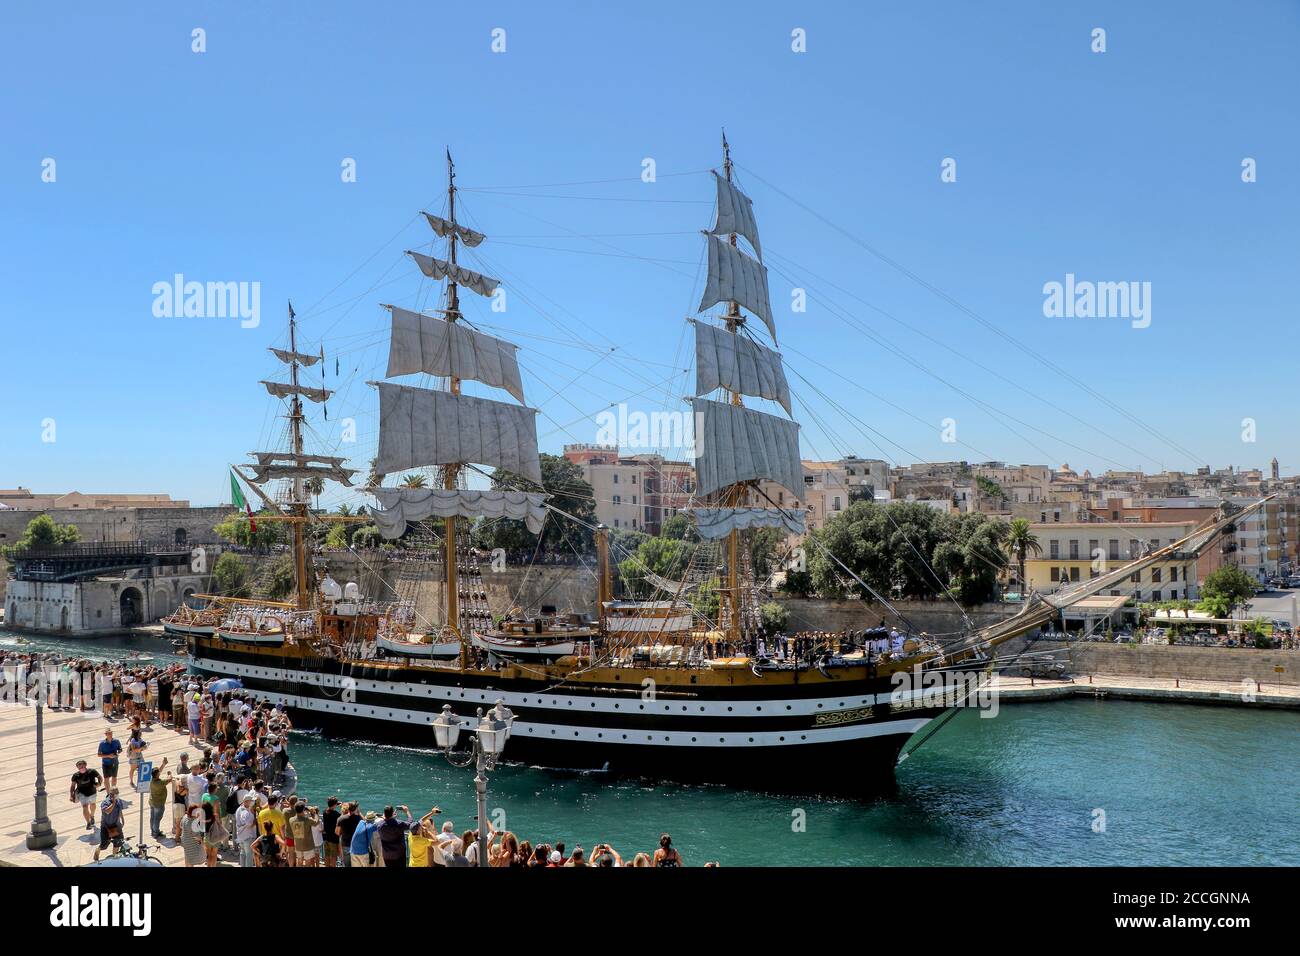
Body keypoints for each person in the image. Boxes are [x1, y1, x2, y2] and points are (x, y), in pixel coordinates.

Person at [92, 789, 125, 862]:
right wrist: (113, 803)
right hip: (106, 827)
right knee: (104, 845)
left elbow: (120, 811)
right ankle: (97, 853)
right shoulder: (105, 802)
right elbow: (107, 811)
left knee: (118, 842)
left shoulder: (119, 801)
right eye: (115, 794)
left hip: (115, 826)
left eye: (117, 793)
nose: (117, 795)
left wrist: (122, 820)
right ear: (111, 794)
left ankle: (114, 858)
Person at [69, 760, 102, 831]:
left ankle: (92, 816)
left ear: (85, 765)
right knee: (85, 807)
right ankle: (88, 823)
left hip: (92, 792)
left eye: (82, 765)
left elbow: (100, 777)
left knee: (93, 805)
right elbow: (72, 786)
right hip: (82, 793)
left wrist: (99, 784)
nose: (81, 767)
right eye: (79, 766)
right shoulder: (75, 775)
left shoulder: (92, 771)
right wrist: (71, 795)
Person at [287, 802, 319, 867]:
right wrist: (314, 813)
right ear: (303, 810)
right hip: (307, 845)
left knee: (299, 861)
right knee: (307, 863)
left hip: (298, 845)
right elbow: (316, 822)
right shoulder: (307, 820)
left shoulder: (291, 820)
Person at [147, 757, 172, 840]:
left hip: (152, 802)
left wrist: (163, 764)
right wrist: (169, 774)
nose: (159, 774)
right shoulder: (159, 782)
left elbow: (159, 771)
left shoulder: (152, 779)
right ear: (157, 775)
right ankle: (156, 833)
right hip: (159, 803)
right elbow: (169, 779)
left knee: (152, 818)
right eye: (159, 774)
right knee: (157, 819)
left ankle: (153, 831)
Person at [235, 794, 259, 868]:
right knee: (249, 855)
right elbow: (248, 823)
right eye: (252, 801)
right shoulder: (245, 812)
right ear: (247, 801)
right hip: (247, 836)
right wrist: (255, 820)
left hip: (242, 836)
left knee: (243, 853)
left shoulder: (240, 809)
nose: (253, 802)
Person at [336, 802, 361, 868]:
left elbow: (337, 832)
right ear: (356, 809)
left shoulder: (341, 819)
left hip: (346, 845)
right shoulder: (359, 818)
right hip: (356, 845)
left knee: (347, 865)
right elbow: (365, 822)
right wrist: (359, 813)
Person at [321, 796, 342, 868]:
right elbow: (343, 817)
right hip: (333, 838)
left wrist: (335, 804)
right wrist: (341, 806)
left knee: (326, 855)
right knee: (333, 857)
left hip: (325, 837)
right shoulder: (336, 814)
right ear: (335, 805)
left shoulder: (324, 812)